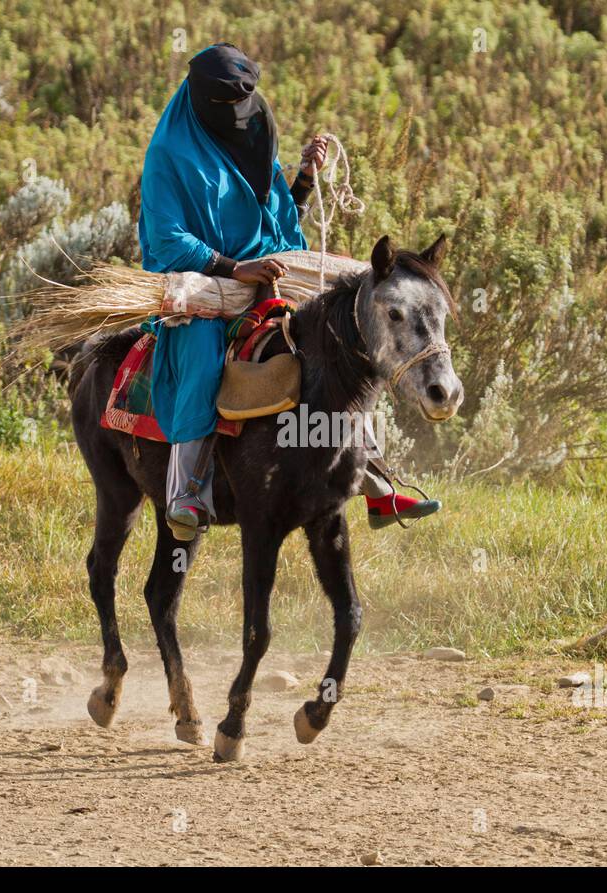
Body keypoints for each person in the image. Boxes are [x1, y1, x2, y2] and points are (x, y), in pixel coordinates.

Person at [138, 42, 440, 540]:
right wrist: (234, 268)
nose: (239, 112)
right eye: (227, 104)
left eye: (244, 100)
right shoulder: (168, 154)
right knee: (200, 352)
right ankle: (187, 489)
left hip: (272, 269)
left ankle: (374, 473)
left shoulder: (253, 127)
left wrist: (302, 179)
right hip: (211, 276)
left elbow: (273, 221)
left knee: (341, 335)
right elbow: (168, 236)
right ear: (200, 99)